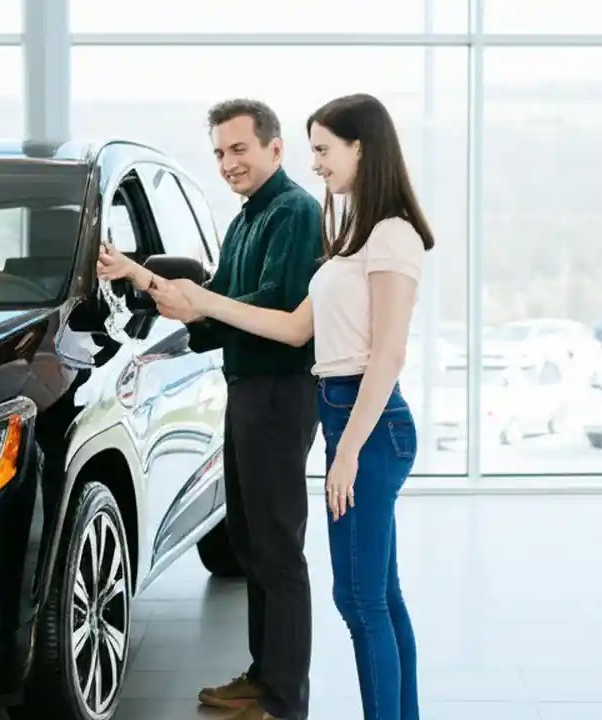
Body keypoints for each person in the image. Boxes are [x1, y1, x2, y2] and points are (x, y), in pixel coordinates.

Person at [143, 92, 433, 720]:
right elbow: (297, 328)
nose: (318, 163)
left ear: (363, 147)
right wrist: (199, 300)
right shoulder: (353, 233)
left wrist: (348, 452)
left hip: (369, 422)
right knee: (380, 596)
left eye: (325, 150)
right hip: (342, 410)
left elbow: (388, 355)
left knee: (360, 602)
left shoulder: (391, 236)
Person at [98, 98, 323, 720]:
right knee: (250, 539)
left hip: (280, 394)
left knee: (277, 547)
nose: (228, 163)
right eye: (220, 152)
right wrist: (138, 276)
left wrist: (201, 303)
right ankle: (262, 675)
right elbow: (216, 306)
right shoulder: (249, 218)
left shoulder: (295, 212)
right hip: (247, 392)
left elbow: (275, 310)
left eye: (239, 149)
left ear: (275, 149)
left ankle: (283, 698)